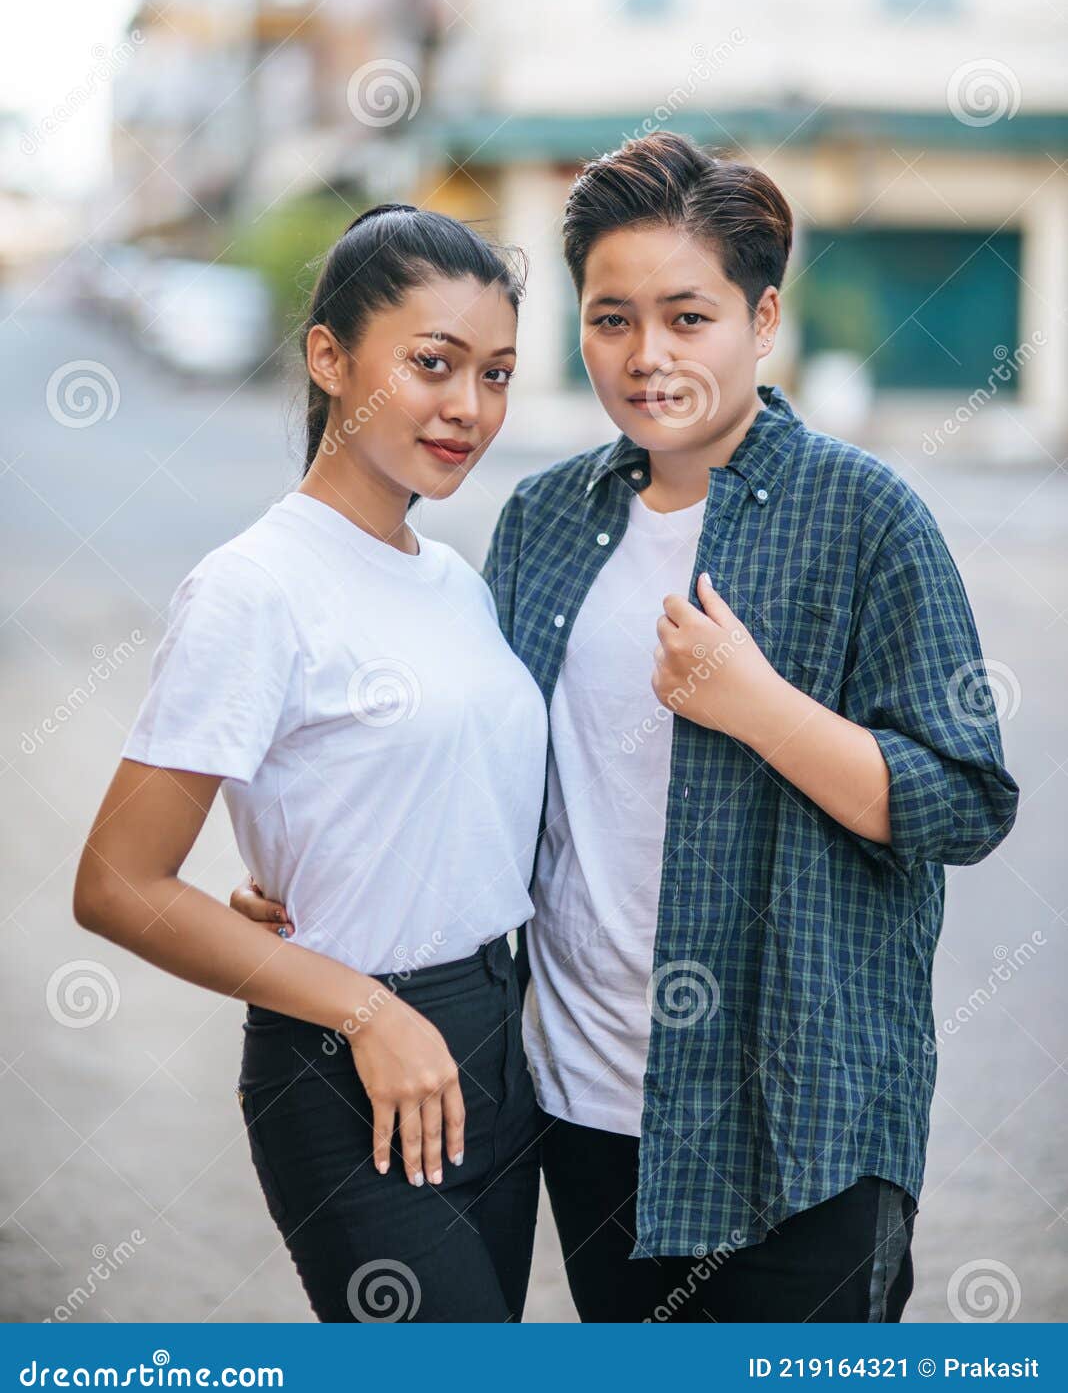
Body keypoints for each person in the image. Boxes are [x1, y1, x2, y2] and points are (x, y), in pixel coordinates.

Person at [235, 134, 1020, 1323]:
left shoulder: (865, 517)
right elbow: (494, 772)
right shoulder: (547, 518)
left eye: (688, 316)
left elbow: (965, 800)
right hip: (580, 1111)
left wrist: (759, 707)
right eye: (612, 319)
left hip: (798, 1125)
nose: (648, 354)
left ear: (762, 319)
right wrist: (319, 870)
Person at [74, 204, 549, 1323]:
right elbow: (117, 883)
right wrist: (366, 1012)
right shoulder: (254, 588)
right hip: (353, 1071)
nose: (469, 406)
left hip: (497, 1045)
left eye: (496, 374)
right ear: (329, 358)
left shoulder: (456, 583)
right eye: (433, 363)